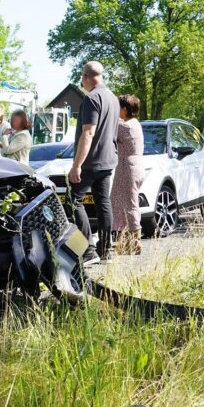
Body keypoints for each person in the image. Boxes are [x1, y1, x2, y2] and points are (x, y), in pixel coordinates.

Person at [68, 61, 119, 265]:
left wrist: (76, 165)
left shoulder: (91, 98)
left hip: (91, 162)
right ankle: (106, 250)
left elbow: (88, 133)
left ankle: (88, 250)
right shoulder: (113, 98)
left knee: (74, 201)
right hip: (108, 161)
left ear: (86, 77)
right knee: (103, 203)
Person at [112, 94, 144, 255]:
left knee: (129, 203)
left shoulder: (125, 126)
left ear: (124, 109)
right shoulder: (135, 123)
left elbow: (109, 128)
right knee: (118, 201)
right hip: (134, 166)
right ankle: (125, 240)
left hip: (127, 167)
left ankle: (134, 241)